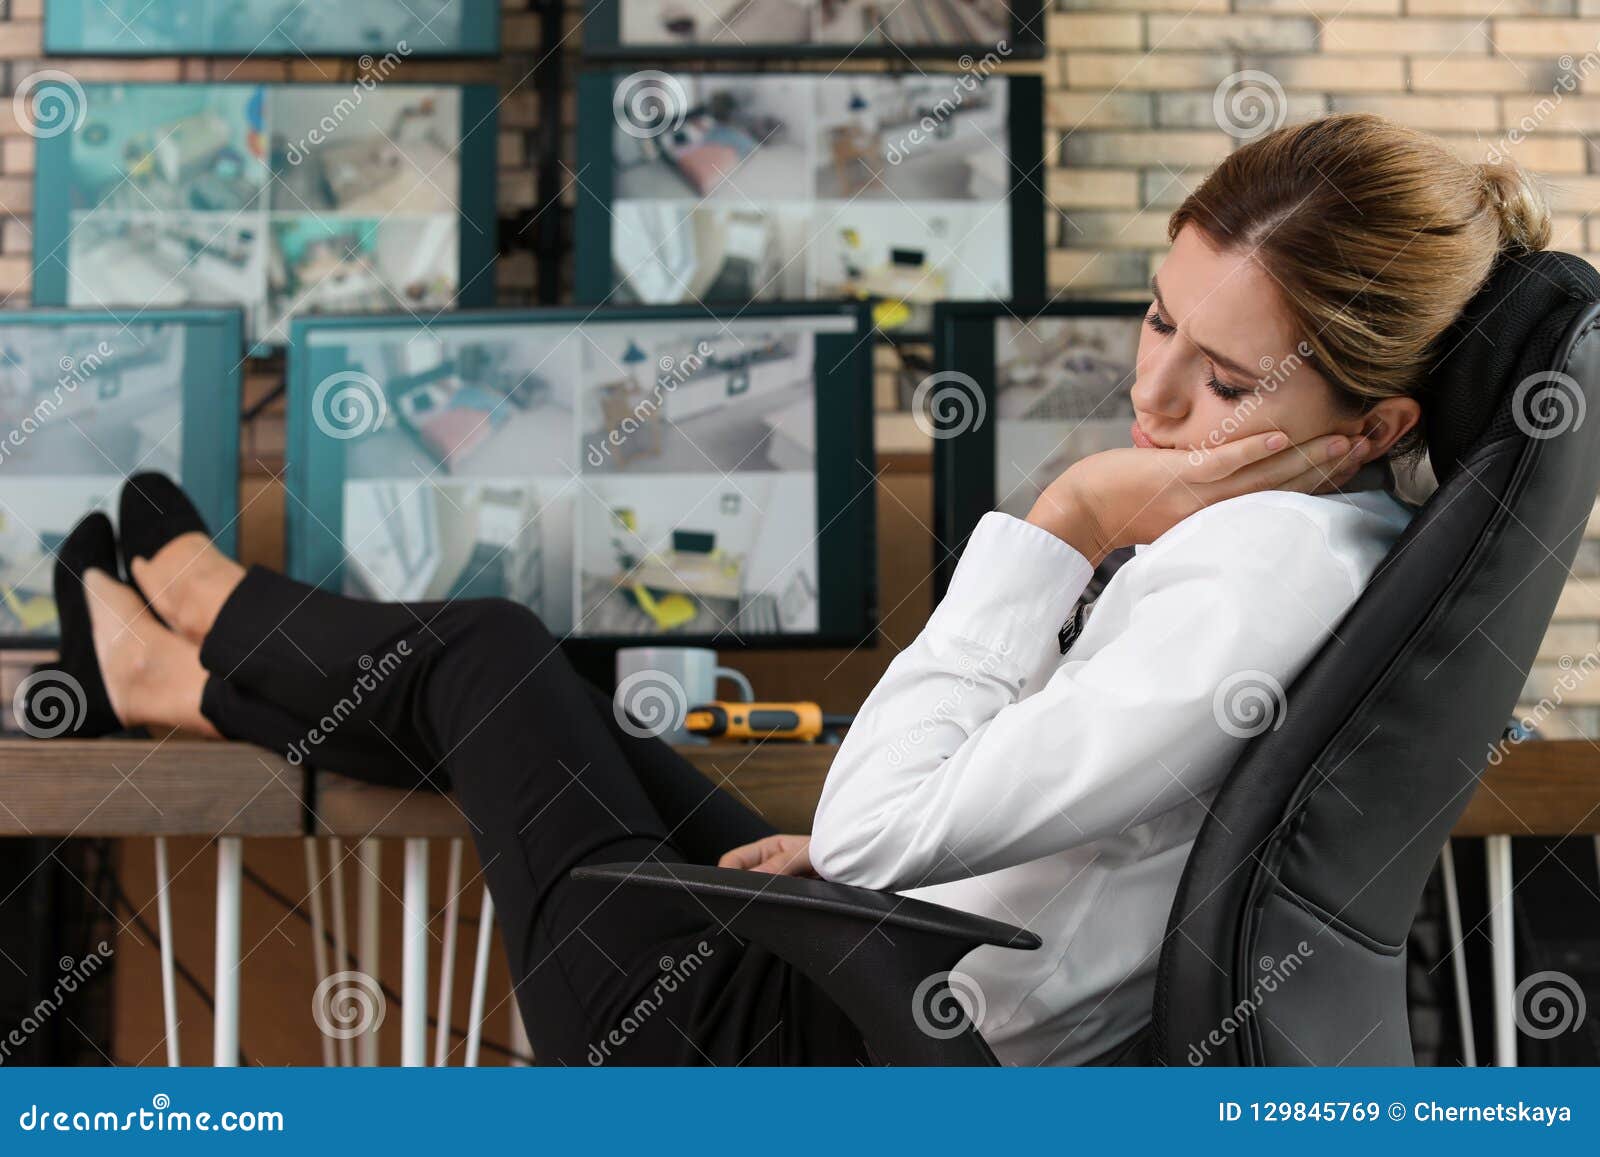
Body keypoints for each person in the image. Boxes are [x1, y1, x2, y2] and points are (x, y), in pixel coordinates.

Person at [26, 112, 1551, 1065]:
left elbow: (890, 817)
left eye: (1221, 381)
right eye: (1155, 319)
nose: (1151, 392)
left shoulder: (1246, 572)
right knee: (532, 694)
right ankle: (205, 653)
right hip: (903, 978)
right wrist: (854, 877)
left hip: (773, 1055)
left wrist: (1067, 515)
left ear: (1376, 423)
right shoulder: (1351, 542)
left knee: (483, 651)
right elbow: (1049, 850)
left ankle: (199, 627)